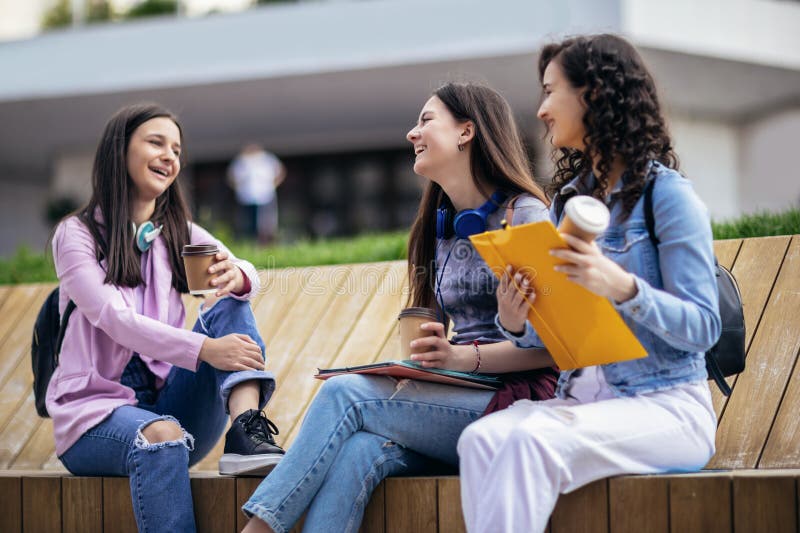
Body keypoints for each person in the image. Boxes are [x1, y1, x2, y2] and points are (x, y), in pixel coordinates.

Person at [241, 82, 559, 533]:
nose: (413, 133)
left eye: (426, 121)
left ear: (467, 131)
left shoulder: (526, 214)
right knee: (359, 451)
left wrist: (460, 357)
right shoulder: (441, 226)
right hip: (458, 394)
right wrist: (425, 363)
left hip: (518, 402)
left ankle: (257, 530)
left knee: (343, 394)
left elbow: (557, 351)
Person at [457, 34, 721, 533]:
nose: (540, 110)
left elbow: (704, 327)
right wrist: (516, 320)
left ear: (593, 95)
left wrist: (622, 286)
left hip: (665, 405)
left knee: (532, 441)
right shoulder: (567, 204)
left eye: (551, 91)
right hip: (585, 402)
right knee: (480, 440)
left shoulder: (667, 198)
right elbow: (562, 334)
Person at [49, 104, 285, 532]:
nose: (170, 157)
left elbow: (247, 268)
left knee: (230, 300)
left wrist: (240, 275)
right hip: (95, 418)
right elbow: (114, 318)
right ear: (119, 152)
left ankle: (246, 429)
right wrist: (205, 349)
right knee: (161, 435)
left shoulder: (177, 231)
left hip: (173, 403)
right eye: (156, 143)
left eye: (176, 150)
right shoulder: (76, 234)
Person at [227, 143, 286, 245]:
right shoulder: (241, 161)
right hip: (246, 198)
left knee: (266, 223)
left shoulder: (267, 159)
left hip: (265, 197)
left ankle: (266, 243)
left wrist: (272, 185)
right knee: (248, 223)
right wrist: (238, 188)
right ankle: (250, 243)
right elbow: (231, 176)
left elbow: (280, 171)